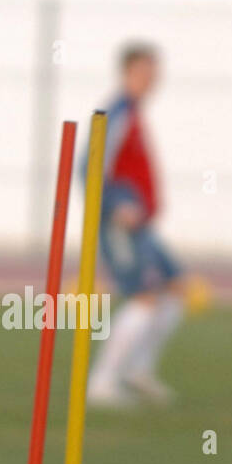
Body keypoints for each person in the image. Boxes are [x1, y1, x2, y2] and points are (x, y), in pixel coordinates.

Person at [87, 44, 188, 407]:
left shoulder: (135, 113)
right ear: (127, 72)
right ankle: (102, 382)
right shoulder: (116, 113)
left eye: (155, 72)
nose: (152, 80)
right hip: (121, 225)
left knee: (176, 287)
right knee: (144, 296)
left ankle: (137, 369)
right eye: (145, 72)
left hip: (142, 225)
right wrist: (117, 204)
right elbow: (90, 165)